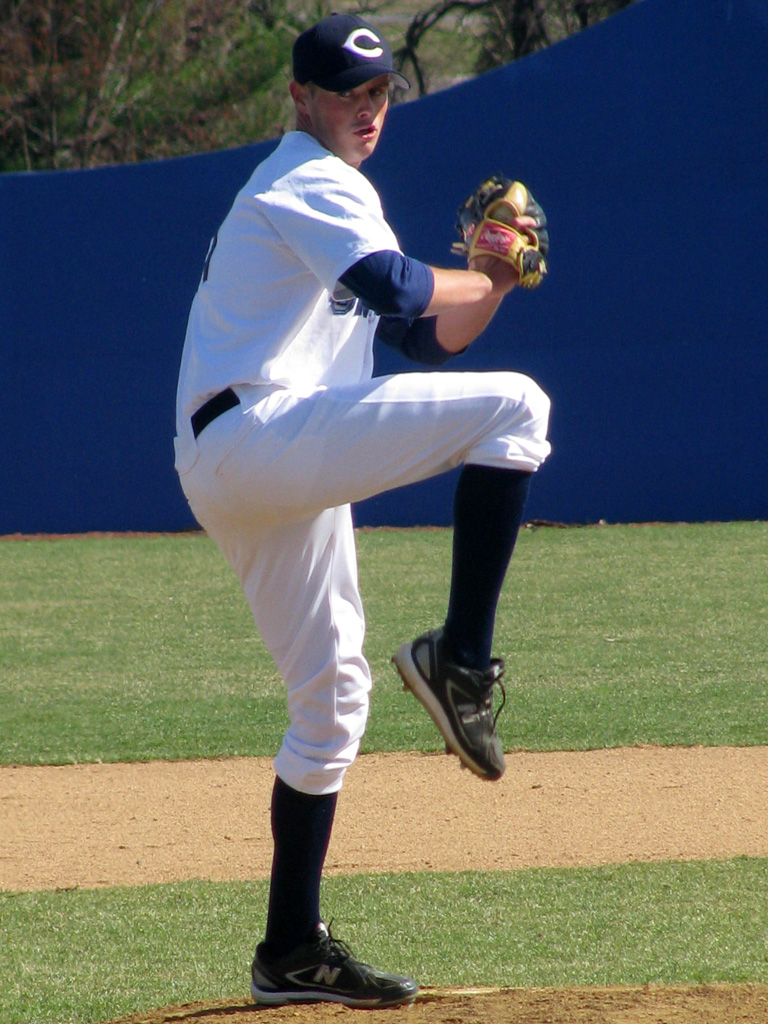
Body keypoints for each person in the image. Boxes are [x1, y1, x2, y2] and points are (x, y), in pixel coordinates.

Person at [174, 12, 551, 1009]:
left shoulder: (343, 192)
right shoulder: (307, 176)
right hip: (258, 431)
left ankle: (289, 947)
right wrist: (481, 260)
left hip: (257, 452)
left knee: (333, 699)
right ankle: (458, 661)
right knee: (519, 407)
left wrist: (496, 279)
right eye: (350, 92)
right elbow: (394, 283)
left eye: (380, 93)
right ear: (300, 98)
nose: (369, 109)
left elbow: (419, 340)